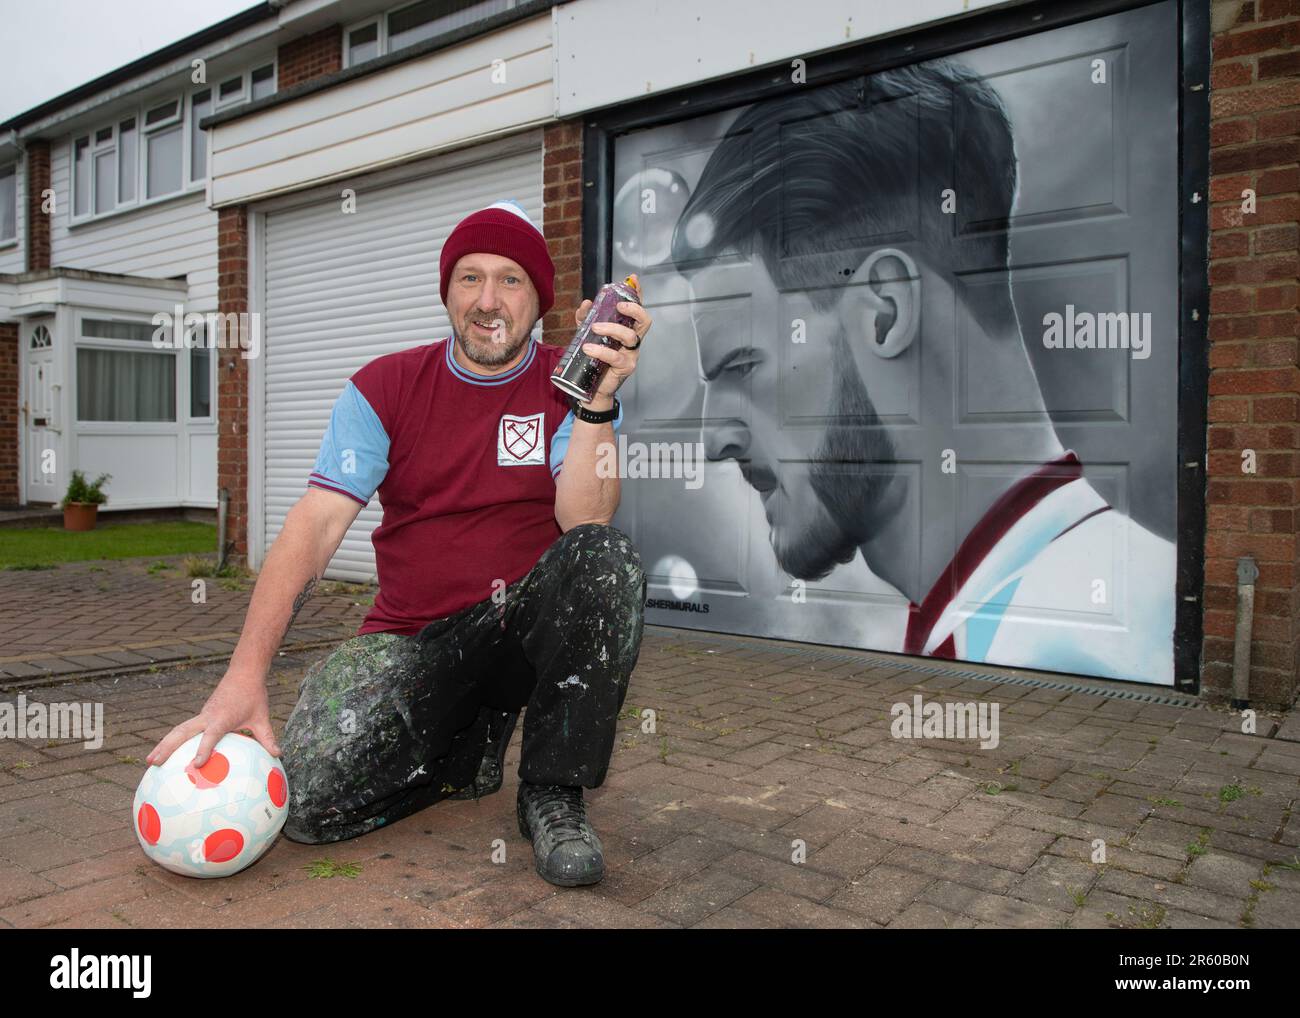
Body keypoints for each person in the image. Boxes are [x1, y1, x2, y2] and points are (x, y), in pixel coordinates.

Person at [147, 198, 651, 887]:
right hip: (415, 640)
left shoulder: (563, 388)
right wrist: (244, 676)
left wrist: (596, 402)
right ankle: (462, 746)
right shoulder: (384, 387)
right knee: (311, 806)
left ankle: (551, 791)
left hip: (518, 638)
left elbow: (584, 521)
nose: (487, 299)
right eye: (469, 277)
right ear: (447, 292)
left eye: (510, 280)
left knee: (607, 559)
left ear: (540, 303)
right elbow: (316, 525)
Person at [667, 62, 1175, 684]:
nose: (713, 440)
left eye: (743, 365)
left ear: (885, 311)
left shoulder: (1063, 653)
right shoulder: (1024, 614)